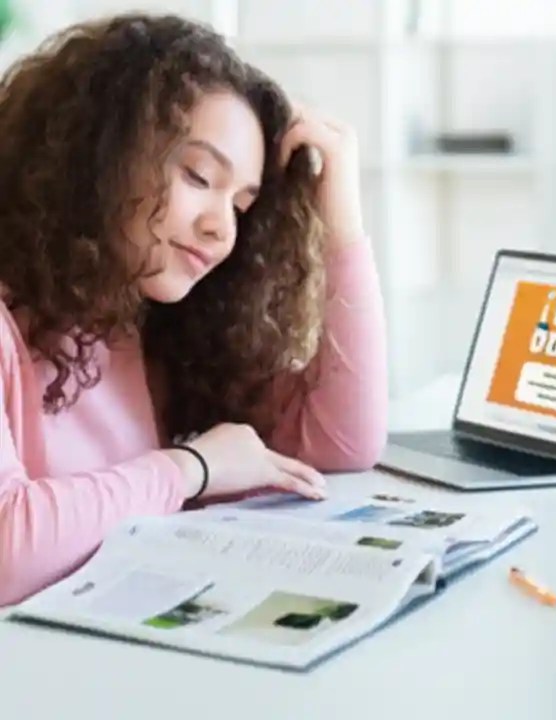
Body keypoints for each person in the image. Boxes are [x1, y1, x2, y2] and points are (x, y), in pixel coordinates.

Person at [0, 14, 389, 605]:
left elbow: (343, 440)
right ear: (99, 151)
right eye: (199, 176)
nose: (220, 228)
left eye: (241, 204)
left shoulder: (146, 321)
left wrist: (343, 230)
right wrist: (189, 469)